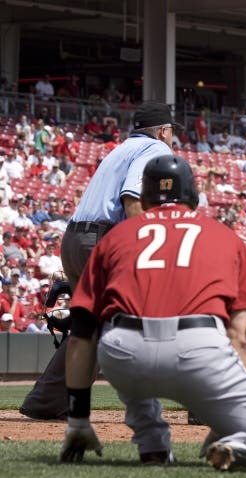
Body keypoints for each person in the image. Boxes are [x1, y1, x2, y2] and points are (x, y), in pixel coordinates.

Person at [58, 155, 246, 472]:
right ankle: (237, 442)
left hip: (123, 351)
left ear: (144, 198)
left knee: (126, 354)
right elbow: (239, 337)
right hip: (198, 348)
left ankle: (152, 445)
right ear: (193, 195)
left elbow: (81, 337)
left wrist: (78, 420)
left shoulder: (115, 238)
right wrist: (223, 422)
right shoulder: (224, 236)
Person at [20, 102, 179, 422]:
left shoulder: (121, 149)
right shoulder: (155, 149)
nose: (173, 139)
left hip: (75, 239)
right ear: (163, 131)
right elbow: (132, 196)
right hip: (102, 240)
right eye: (172, 132)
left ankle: (46, 402)